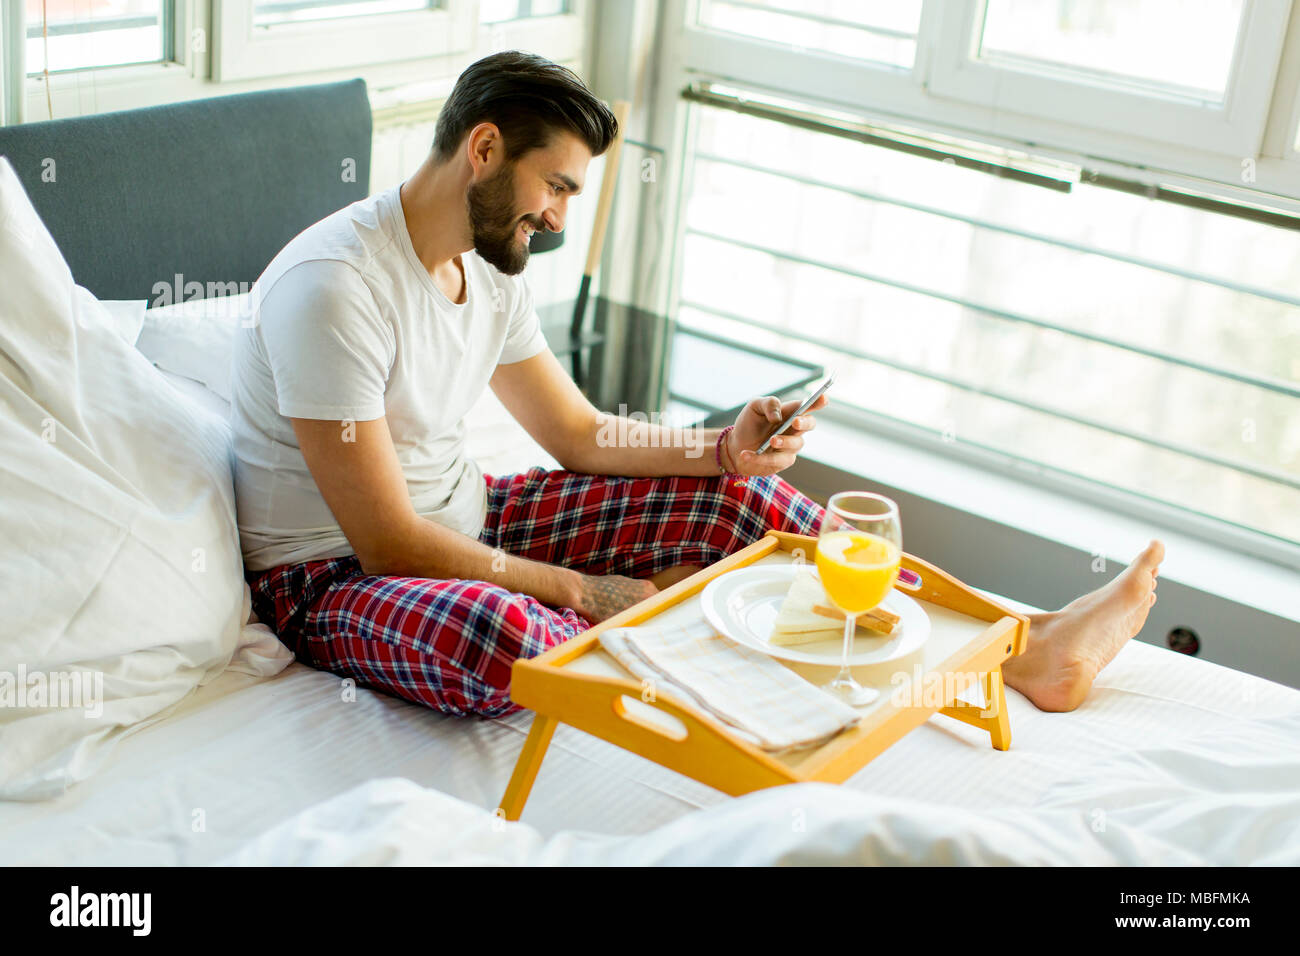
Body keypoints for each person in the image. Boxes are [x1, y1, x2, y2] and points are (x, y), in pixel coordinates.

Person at [232, 51, 1164, 720]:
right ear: (483, 150)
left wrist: (720, 450)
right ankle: (743, 669)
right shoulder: (335, 287)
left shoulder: (487, 264)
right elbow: (389, 541)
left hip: (471, 519)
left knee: (740, 502)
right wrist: (584, 592)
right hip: (335, 575)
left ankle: (1015, 641)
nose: (555, 219)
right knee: (509, 642)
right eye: (553, 187)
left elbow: (580, 435)